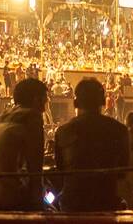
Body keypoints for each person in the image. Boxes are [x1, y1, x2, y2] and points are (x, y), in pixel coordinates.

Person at [0, 78, 47, 210]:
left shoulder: (2, 117)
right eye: (45, 98)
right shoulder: (32, 117)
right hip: (3, 195)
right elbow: (35, 167)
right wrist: (39, 202)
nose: (46, 104)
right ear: (37, 100)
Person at [52, 77, 129, 212]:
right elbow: (122, 172)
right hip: (106, 202)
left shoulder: (63, 131)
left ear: (76, 102)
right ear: (102, 101)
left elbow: (61, 169)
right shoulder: (119, 129)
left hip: (72, 204)